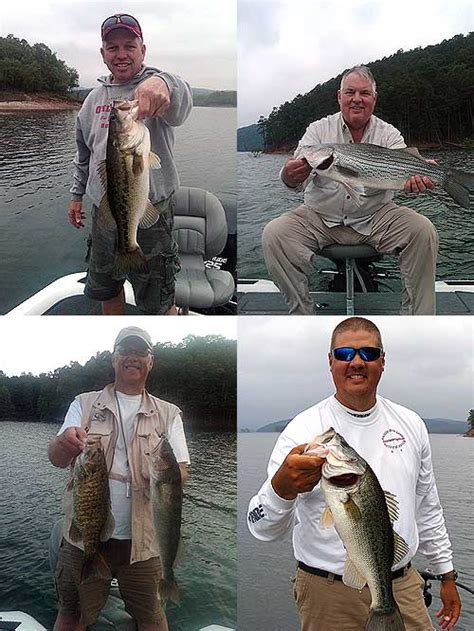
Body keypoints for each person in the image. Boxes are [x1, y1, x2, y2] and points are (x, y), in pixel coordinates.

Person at [247, 317, 461, 631]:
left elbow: (427, 508)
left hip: (401, 586)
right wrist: (282, 489)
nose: (357, 362)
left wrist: (446, 574)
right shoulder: (302, 430)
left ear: (383, 361)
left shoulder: (412, 424)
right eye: (345, 354)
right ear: (330, 361)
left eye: (369, 354)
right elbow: (263, 529)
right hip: (327, 592)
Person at [262, 65, 439, 315]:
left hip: (376, 217)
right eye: (350, 92)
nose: (357, 99)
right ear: (339, 96)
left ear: (374, 98)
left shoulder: (389, 134)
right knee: (274, 234)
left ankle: (418, 320)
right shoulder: (317, 130)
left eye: (365, 93)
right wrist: (289, 176)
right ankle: (303, 316)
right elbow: (295, 180)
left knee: (423, 230)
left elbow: (405, 167)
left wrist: (419, 175)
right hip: (320, 217)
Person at [48, 326, 190, 631]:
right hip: (84, 538)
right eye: (125, 351)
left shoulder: (169, 414)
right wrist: (64, 442)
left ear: (151, 361)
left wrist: (163, 473)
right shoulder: (84, 404)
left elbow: (182, 471)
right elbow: (57, 458)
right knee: (71, 616)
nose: (132, 357)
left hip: (144, 543)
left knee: (153, 620)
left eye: (141, 352)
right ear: (114, 359)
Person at [68, 13, 192, 315]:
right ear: (103, 54)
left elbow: (182, 105)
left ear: (143, 50)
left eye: (129, 46)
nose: (121, 54)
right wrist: (76, 195)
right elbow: (84, 154)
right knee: (107, 290)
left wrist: (164, 81)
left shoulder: (157, 89)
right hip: (103, 210)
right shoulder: (92, 100)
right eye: (112, 48)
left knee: (159, 301)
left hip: (152, 212)